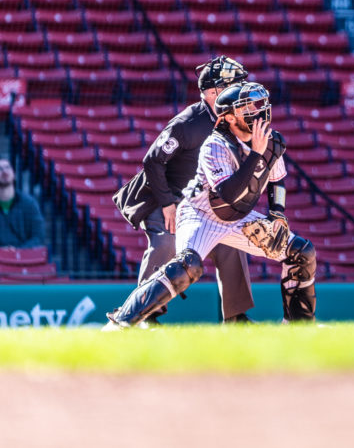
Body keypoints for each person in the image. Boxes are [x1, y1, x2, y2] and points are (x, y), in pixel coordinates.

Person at [104, 82, 317, 329]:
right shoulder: (214, 145)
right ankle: (121, 323)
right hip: (201, 213)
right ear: (227, 117)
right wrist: (256, 153)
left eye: (255, 105)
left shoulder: (269, 141)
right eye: (245, 107)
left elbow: (277, 179)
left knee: (301, 252)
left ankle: (299, 329)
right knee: (187, 267)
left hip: (237, 216)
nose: (255, 111)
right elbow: (228, 193)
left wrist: (277, 214)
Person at [112, 56, 255, 323]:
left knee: (229, 245)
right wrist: (168, 204)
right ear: (213, 93)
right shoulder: (188, 122)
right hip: (163, 196)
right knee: (165, 243)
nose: (240, 90)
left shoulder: (234, 119)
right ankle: (142, 315)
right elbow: (153, 161)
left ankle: (236, 317)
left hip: (201, 201)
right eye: (233, 84)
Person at [0, 156, 45, 248]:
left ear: (14, 173)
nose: (4, 171)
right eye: (0, 169)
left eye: (7, 167)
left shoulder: (29, 203)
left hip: (24, 258)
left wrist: (18, 251)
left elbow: (38, 237)